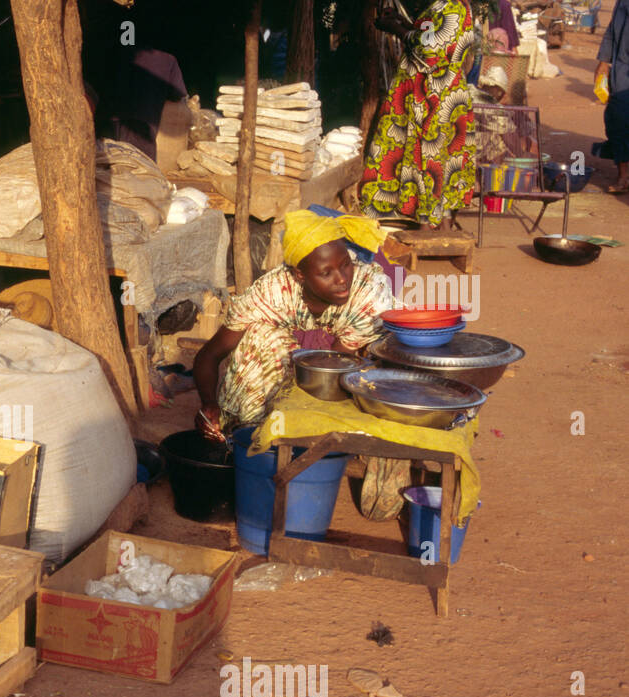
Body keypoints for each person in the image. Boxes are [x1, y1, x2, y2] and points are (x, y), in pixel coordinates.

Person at [194, 210, 392, 440]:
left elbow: (335, 366)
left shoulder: (368, 293)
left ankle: (296, 431)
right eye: (326, 273)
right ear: (300, 275)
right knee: (262, 335)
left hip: (343, 378)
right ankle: (249, 429)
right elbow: (209, 355)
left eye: (346, 264)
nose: (342, 279)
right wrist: (208, 405)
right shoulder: (272, 292)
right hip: (287, 368)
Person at [360, 0, 478, 229]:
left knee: (430, 160)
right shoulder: (443, 5)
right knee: (432, 159)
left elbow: (432, 49)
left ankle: (430, 229)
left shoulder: (454, 6)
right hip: (430, 93)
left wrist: (397, 30)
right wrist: (403, 22)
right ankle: (433, 224)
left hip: (436, 97)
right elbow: (429, 35)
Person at [595, 0, 629, 194]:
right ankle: (623, 175)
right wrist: (603, 62)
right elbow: (610, 33)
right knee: (618, 120)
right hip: (622, 71)